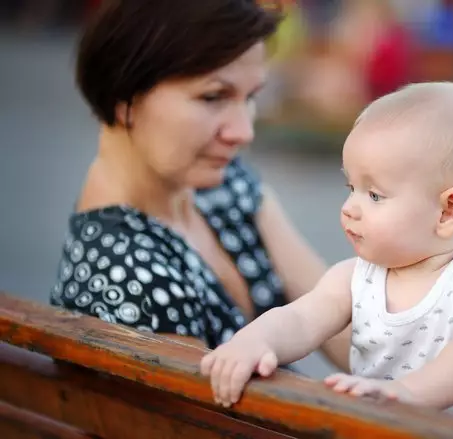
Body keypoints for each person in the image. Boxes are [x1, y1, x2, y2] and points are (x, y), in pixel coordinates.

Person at [200, 82, 453, 434]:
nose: (349, 209)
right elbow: (300, 319)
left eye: (374, 195)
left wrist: (406, 393)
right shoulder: (356, 278)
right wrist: (255, 341)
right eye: (351, 188)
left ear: (448, 211)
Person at [48, 0, 350, 372]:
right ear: (123, 99)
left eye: (250, 97)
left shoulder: (222, 183)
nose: (244, 132)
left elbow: (336, 317)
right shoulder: (126, 277)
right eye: (213, 96)